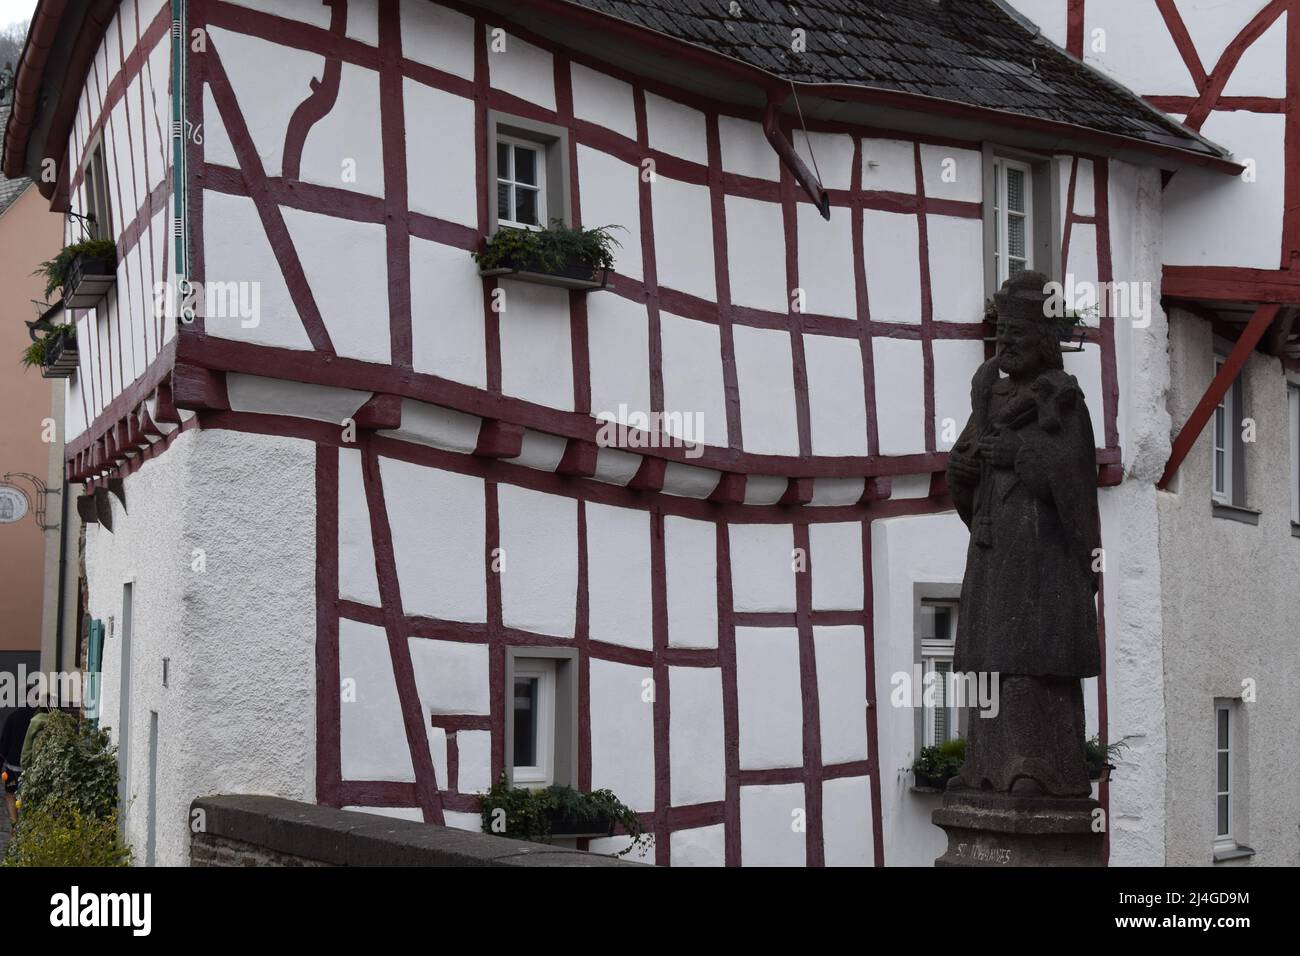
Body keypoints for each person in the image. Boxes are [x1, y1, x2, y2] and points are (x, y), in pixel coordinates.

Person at [945, 270, 1101, 797]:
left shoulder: (1063, 403)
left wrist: (1022, 456)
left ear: (1044, 341)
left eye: (1017, 335)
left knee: (1030, 659)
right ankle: (985, 763)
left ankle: (1037, 764)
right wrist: (961, 475)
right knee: (989, 659)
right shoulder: (989, 398)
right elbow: (965, 460)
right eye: (1001, 335)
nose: (1005, 344)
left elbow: (1075, 480)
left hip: (1042, 558)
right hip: (992, 551)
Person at [0, 703, 38, 827]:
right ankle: (27, 827)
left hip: (13, 766)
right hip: (32, 767)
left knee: (11, 795)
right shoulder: (39, 719)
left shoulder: (13, 717)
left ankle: (14, 825)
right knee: (29, 798)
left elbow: (4, 746)